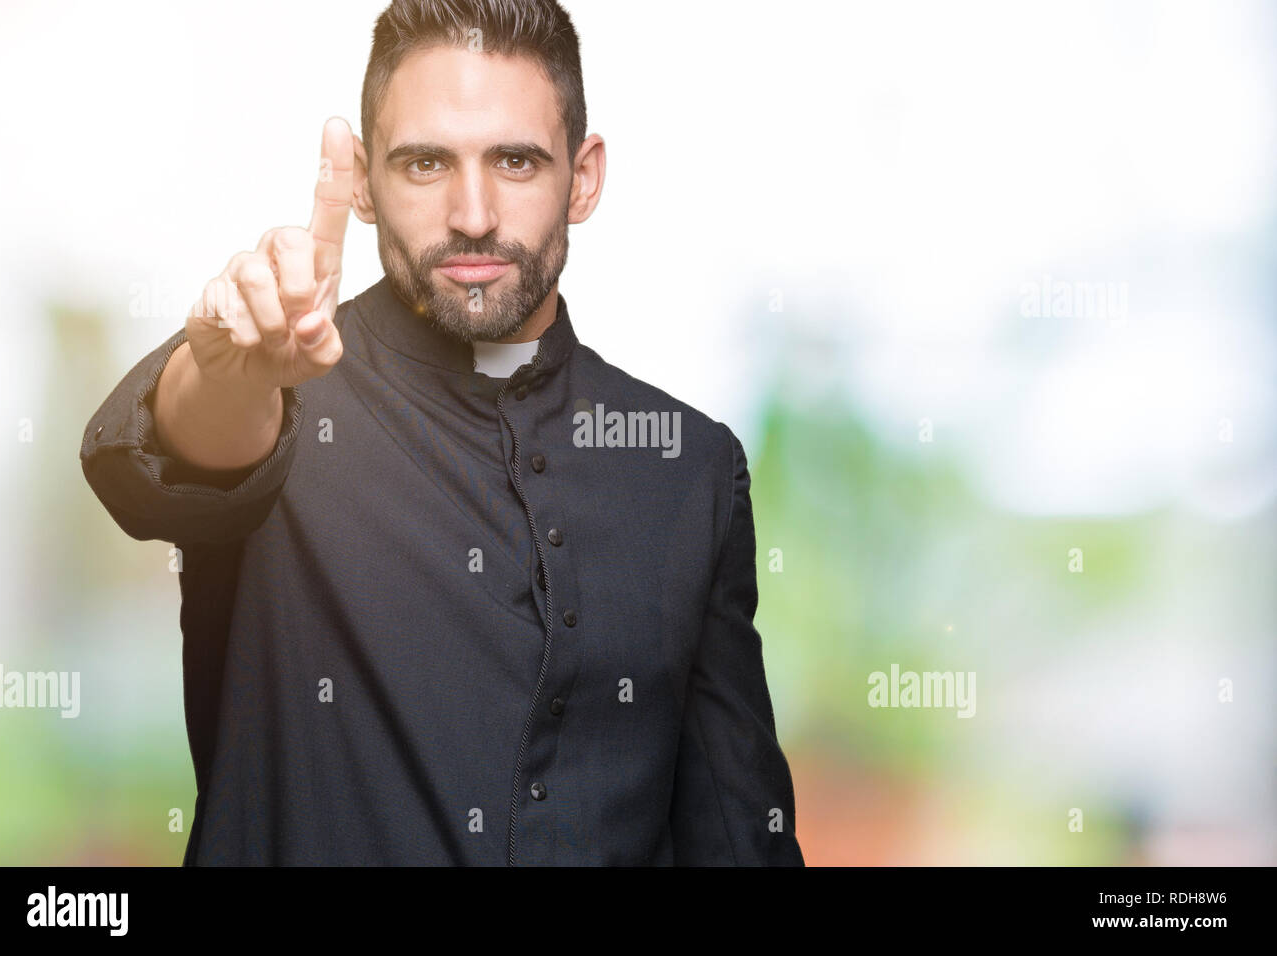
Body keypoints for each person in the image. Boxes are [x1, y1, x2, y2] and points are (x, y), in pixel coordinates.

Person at [80, 0, 804, 866]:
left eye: (516, 160)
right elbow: (173, 460)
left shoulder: (687, 467)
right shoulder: (281, 384)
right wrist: (232, 378)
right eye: (426, 162)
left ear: (583, 177)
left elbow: (739, 834)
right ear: (360, 183)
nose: (472, 212)